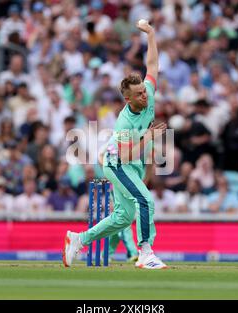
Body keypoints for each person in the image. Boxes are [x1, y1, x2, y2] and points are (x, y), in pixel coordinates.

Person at [63, 21, 168, 269]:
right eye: (139, 94)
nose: (145, 95)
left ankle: (78, 239)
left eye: (144, 90)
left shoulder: (149, 92)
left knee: (123, 217)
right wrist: (148, 138)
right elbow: (126, 154)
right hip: (117, 163)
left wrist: (151, 34)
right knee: (145, 201)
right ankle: (145, 252)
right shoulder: (124, 122)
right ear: (127, 98)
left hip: (132, 164)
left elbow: (153, 64)